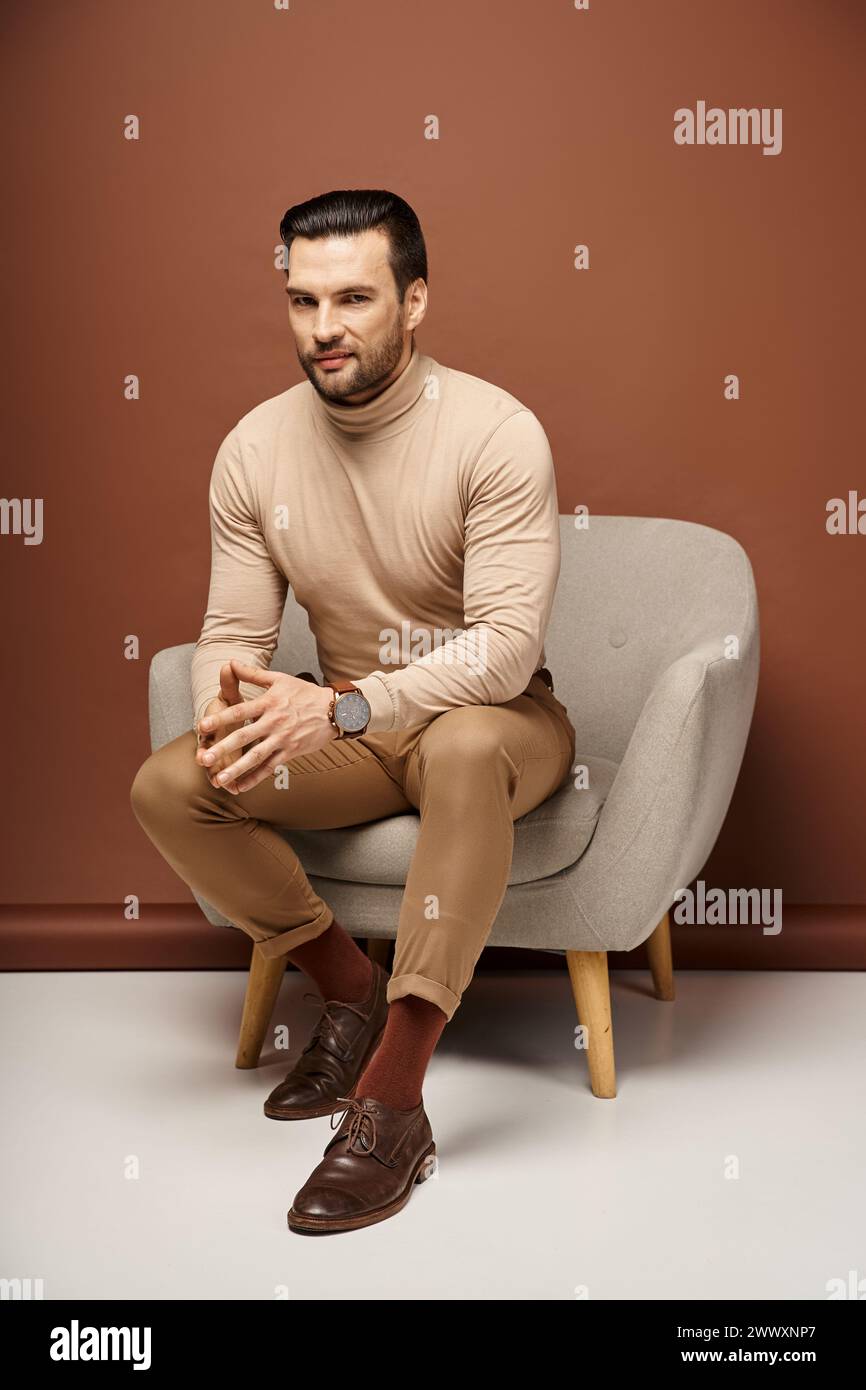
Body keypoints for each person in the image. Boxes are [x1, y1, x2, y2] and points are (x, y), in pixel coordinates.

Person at [130, 188, 576, 1235]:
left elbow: (504, 649)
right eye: (301, 300)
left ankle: (392, 1096)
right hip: (354, 729)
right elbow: (232, 635)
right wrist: (230, 718)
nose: (323, 327)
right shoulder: (252, 449)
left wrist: (347, 707)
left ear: (414, 301)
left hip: (496, 716)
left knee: (464, 747)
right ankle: (345, 983)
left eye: (354, 298)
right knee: (171, 784)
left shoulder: (494, 431)